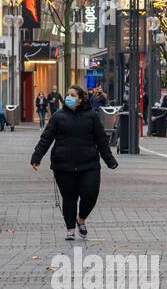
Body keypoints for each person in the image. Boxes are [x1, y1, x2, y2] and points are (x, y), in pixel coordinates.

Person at [31, 85, 119, 241]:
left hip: (89, 164)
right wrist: (37, 157)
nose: (68, 97)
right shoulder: (58, 116)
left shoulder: (91, 117)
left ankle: (81, 219)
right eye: (67, 95)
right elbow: (46, 138)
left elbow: (101, 141)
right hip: (63, 164)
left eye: (72, 95)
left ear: (80, 99)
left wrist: (110, 160)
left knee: (90, 194)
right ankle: (70, 229)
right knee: (69, 198)